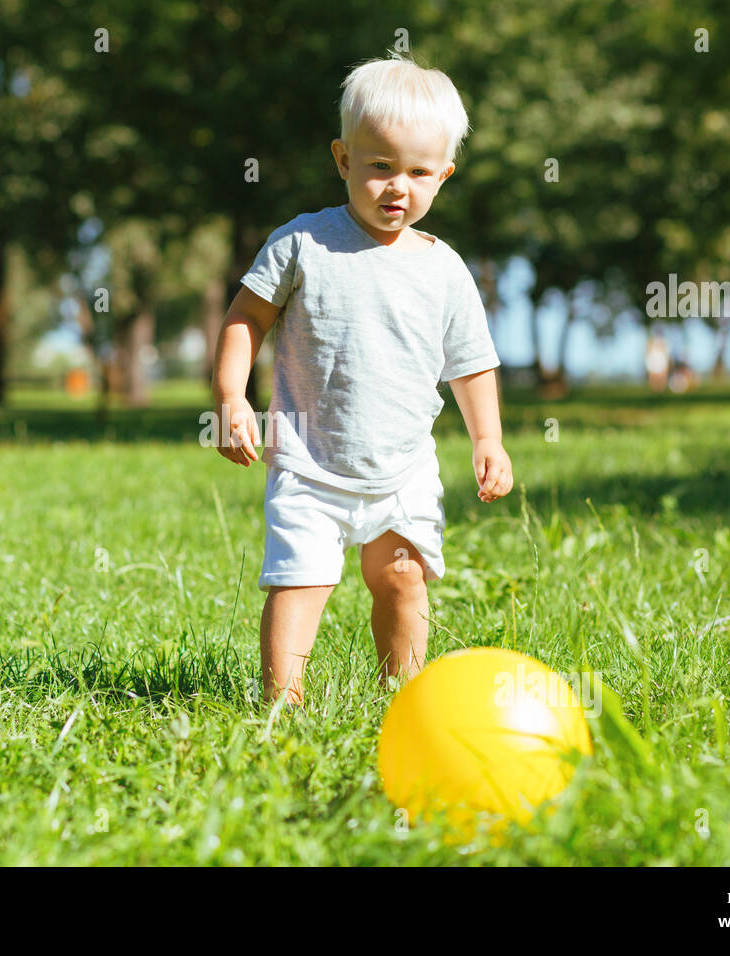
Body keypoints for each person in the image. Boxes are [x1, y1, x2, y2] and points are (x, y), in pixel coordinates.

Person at [209, 51, 512, 706]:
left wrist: (487, 439)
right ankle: (282, 707)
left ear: (444, 175)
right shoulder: (303, 244)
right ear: (343, 160)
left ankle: (401, 699)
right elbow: (246, 319)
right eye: (380, 167)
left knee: (403, 580)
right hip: (309, 462)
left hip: (404, 469)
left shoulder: (445, 270)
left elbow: (471, 362)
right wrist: (231, 397)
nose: (398, 186)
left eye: (418, 172)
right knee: (300, 583)